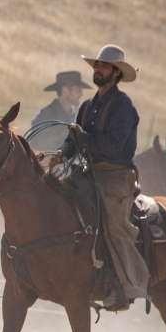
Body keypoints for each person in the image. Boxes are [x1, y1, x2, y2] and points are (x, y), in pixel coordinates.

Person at [60, 44, 147, 310]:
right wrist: (61, 154)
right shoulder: (87, 106)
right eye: (96, 65)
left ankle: (126, 286)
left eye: (103, 66)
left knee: (114, 226)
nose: (97, 69)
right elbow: (72, 142)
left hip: (115, 178)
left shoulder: (124, 107)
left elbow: (116, 147)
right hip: (88, 174)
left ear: (116, 73)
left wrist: (84, 139)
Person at [28, 70, 91, 151]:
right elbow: (38, 145)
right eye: (78, 90)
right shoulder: (45, 116)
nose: (81, 94)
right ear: (65, 91)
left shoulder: (78, 115)